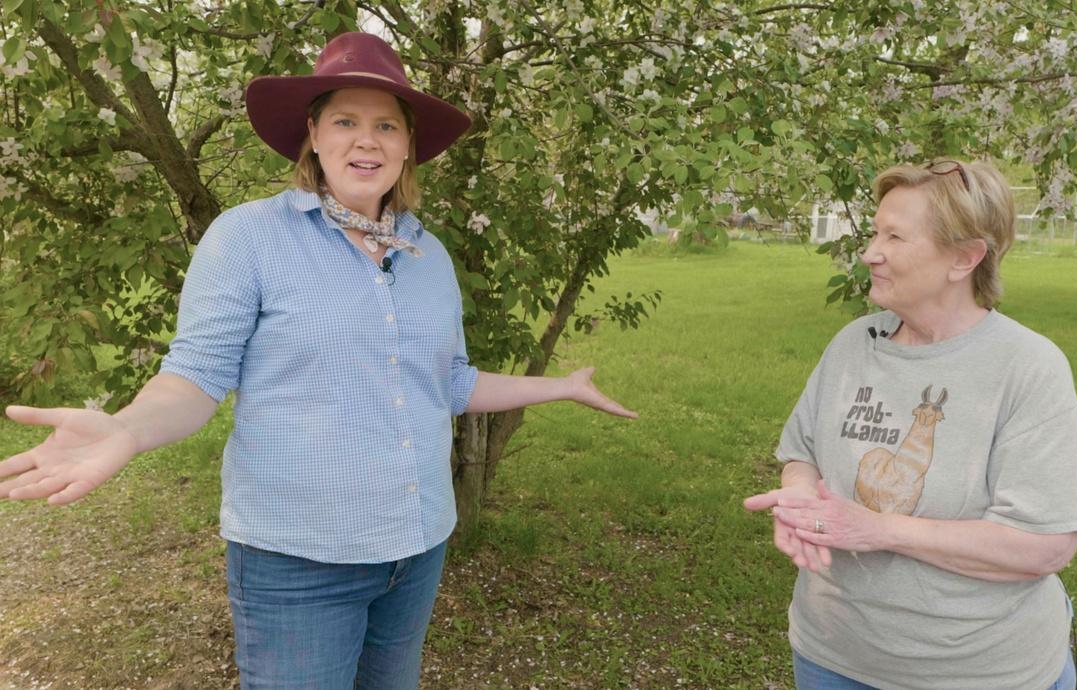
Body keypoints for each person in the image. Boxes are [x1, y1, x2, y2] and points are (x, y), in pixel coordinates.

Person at [0, 32, 634, 689]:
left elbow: (447, 383)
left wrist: (558, 386)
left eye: (386, 124)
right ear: (313, 134)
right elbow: (196, 376)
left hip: (415, 550)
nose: (367, 140)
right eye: (346, 121)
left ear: (408, 143)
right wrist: (129, 430)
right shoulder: (249, 237)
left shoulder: (430, 255)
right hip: (297, 562)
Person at [744, 159, 1077, 690]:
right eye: (874, 230)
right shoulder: (853, 345)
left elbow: (1044, 546)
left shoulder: (1027, 366)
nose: (870, 253)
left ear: (965, 257)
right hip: (832, 658)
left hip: (980, 673)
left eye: (895, 237)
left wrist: (879, 529)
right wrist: (801, 504)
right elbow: (803, 453)